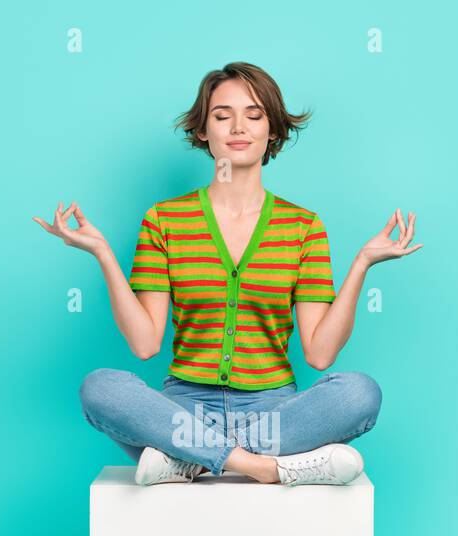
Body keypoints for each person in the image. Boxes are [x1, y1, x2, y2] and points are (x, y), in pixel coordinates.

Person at [34, 61, 421, 486]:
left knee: (360, 393)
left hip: (273, 414)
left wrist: (362, 264)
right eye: (222, 116)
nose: (239, 127)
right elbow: (145, 344)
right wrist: (104, 255)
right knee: (100, 388)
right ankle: (262, 467)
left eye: (254, 115)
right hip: (183, 410)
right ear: (204, 131)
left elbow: (320, 354)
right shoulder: (166, 220)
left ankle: (191, 460)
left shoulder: (302, 226)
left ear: (272, 130)